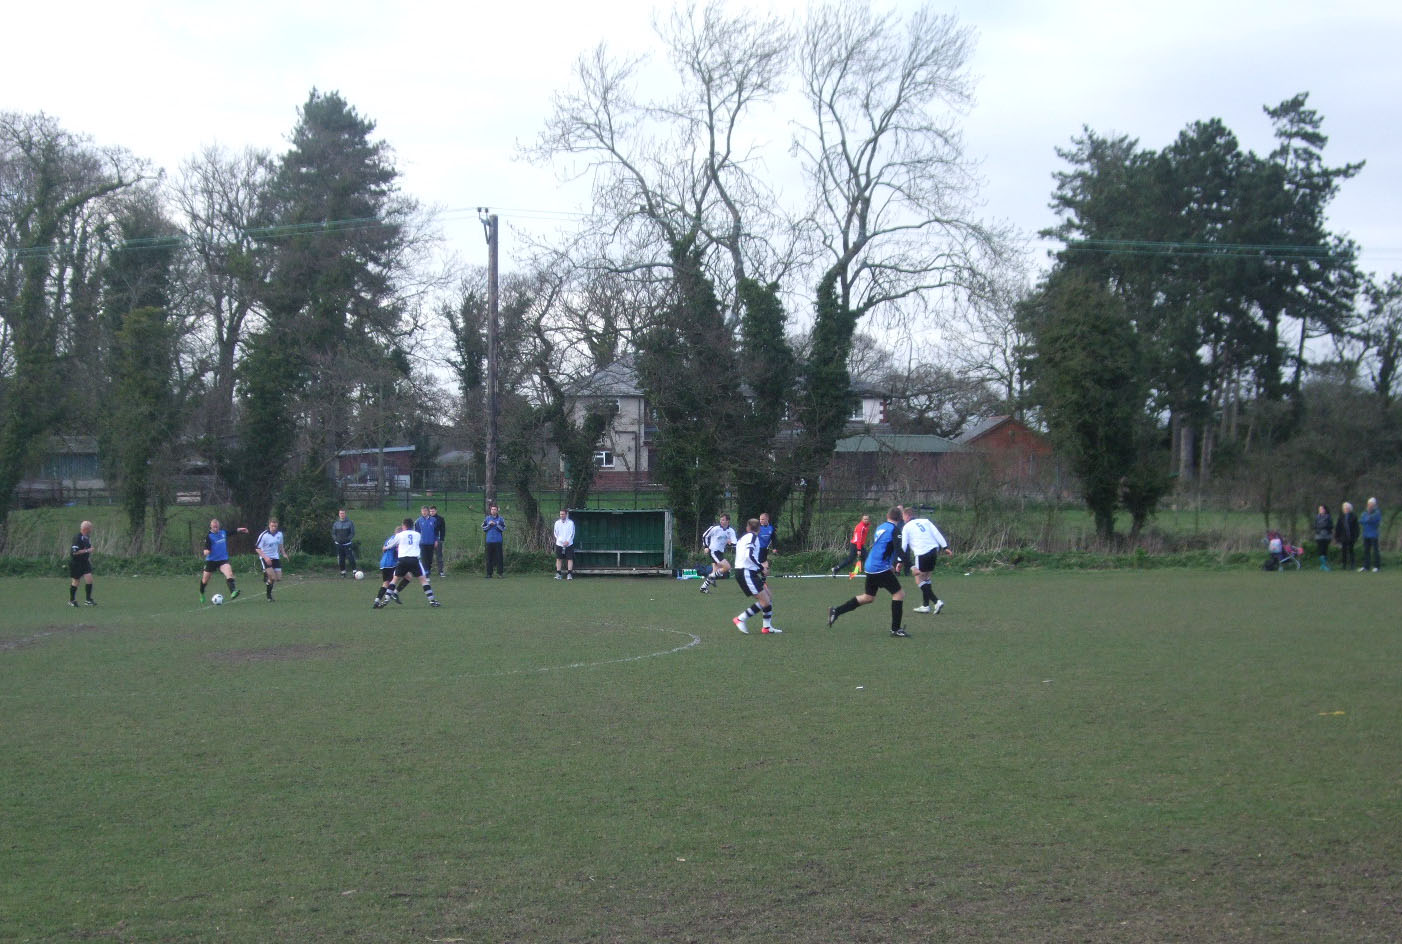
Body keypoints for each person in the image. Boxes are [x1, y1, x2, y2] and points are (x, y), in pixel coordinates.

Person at [827, 506, 910, 637]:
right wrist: (909, 565)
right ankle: (895, 629)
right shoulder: (895, 530)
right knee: (899, 594)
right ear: (900, 518)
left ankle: (836, 611)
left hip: (871, 566)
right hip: (879, 568)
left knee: (868, 597)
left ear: (887, 516)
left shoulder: (881, 527)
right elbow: (898, 549)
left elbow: (883, 547)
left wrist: (890, 565)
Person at [900, 506, 953, 614]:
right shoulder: (926, 521)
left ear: (907, 515)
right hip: (933, 551)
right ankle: (925, 606)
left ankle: (936, 601)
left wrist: (899, 561)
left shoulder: (906, 527)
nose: (903, 519)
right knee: (926, 578)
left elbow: (903, 546)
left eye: (903, 516)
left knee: (918, 579)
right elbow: (937, 533)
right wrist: (945, 547)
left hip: (921, 553)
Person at [732, 518, 781, 635]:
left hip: (747, 571)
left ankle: (767, 628)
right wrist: (761, 567)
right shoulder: (752, 538)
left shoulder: (743, 538)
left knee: (768, 596)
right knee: (765, 601)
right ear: (759, 529)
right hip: (746, 572)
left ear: (747, 528)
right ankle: (740, 619)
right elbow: (749, 555)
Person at [388, 517, 441, 606]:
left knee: (395, 579)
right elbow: (417, 543)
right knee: (423, 580)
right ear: (412, 526)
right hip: (414, 559)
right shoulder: (418, 534)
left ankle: (387, 597)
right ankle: (432, 601)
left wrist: (386, 547)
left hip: (403, 559)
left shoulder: (400, 535)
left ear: (404, 526)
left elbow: (391, 545)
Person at [200, 518, 247, 603]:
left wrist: (240, 529)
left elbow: (231, 532)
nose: (216, 528)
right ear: (211, 527)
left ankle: (233, 592)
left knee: (229, 573)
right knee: (205, 580)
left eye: (217, 527)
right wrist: (206, 551)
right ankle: (202, 593)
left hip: (222, 560)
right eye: (214, 527)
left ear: (219, 526)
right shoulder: (209, 537)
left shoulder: (223, 533)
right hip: (211, 561)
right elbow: (205, 549)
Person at [698, 513, 737, 593]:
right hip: (713, 551)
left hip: (720, 552)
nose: (721, 521)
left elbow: (734, 542)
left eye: (723, 520)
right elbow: (704, 536)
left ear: (728, 521)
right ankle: (711, 577)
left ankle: (703, 587)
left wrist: (731, 543)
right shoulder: (715, 528)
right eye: (721, 520)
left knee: (715, 571)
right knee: (727, 567)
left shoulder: (731, 531)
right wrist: (706, 546)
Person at [254, 518, 285, 601]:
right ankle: (269, 596)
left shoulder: (280, 534)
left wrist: (284, 553)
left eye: (275, 526)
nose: (274, 528)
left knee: (278, 578)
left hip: (275, 557)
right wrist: (266, 557)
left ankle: (266, 574)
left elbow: (281, 544)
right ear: (269, 525)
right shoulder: (264, 535)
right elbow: (257, 548)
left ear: (277, 526)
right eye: (272, 526)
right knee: (272, 577)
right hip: (265, 557)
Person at [372, 524, 403, 608]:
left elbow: (383, 548)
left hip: (383, 563)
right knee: (405, 575)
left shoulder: (390, 538)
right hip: (391, 563)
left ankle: (376, 601)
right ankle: (393, 594)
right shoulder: (398, 539)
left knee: (386, 582)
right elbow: (397, 550)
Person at [68, 520, 96, 607]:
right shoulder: (77, 538)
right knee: (76, 581)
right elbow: (75, 552)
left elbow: (88, 546)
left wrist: (90, 547)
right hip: (76, 563)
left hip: (85, 562)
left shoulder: (86, 537)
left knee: (89, 579)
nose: (91, 529)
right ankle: (72, 600)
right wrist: (88, 550)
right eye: (90, 528)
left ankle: (88, 600)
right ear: (86, 529)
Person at [414, 506, 439, 578]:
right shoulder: (418, 521)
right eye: (422, 511)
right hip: (422, 543)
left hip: (431, 542)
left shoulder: (434, 520)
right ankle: (426, 573)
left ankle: (428, 571)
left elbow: (436, 531)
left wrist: (436, 540)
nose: (424, 512)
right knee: (424, 558)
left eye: (425, 511)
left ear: (428, 512)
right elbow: (416, 533)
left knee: (429, 558)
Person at [1334, 501, 1360, 572]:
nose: (1346, 509)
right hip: (1343, 537)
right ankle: (1344, 565)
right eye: (1345, 508)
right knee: (1344, 552)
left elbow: (1356, 528)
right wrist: (1337, 537)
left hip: (1351, 537)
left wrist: (1356, 536)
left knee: (1351, 551)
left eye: (1347, 508)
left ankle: (1352, 565)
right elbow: (1338, 528)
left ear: (1350, 509)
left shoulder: (1353, 517)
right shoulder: (1341, 517)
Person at [482, 502, 506, 578]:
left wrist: (496, 524)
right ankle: (489, 574)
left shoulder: (501, 519)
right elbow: (483, 528)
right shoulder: (487, 518)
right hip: (489, 541)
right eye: (492, 509)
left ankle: (500, 574)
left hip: (498, 541)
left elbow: (503, 528)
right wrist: (489, 525)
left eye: (495, 509)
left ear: (497, 510)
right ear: (490, 510)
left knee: (499, 558)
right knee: (489, 558)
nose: (493, 511)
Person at [1360, 497, 1382, 572]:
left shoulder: (1377, 512)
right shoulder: (1365, 512)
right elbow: (1361, 520)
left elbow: (1373, 519)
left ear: (1374, 505)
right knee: (1366, 551)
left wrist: (1367, 519)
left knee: (1375, 551)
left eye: (1371, 504)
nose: (1370, 505)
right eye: (1369, 504)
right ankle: (1366, 566)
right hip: (1366, 534)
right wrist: (1367, 519)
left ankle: (1377, 566)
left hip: (1374, 534)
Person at [553, 508, 576, 580]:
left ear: (566, 514)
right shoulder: (557, 523)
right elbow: (555, 533)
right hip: (559, 544)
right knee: (558, 559)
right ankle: (558, 574)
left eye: (563, 514)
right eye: (560, 514)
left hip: (569, 544)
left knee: (570, 559)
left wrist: (567, 541)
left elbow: (572, 533)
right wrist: (561, 541)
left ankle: (569, 574)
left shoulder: (571, 523)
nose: (561, 515)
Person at [332, 509, 356, 577]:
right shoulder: (336, 523)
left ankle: (354, 572)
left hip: (347, 544)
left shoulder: (350, 523)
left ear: (345, 514)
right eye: (340, 513)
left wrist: (348, 539)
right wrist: (336, 539)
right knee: (341, 558)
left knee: (351, 558)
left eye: (343, 513)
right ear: (339, 514)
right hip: (339, 544)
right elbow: (333, 533)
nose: (342, 515)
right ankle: (343, 572)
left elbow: (352, 533)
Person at [1313, 504, 1333, 571]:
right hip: (1319, 536)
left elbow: (1330, 526)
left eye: (1322, 509)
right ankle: (1323, 565)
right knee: (1320, 550)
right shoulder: (1317, 517)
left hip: (1326, 536)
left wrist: (1323, 526)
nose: (1320, 510)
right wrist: (1319, 528)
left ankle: (1324, 565)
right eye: (1319, 509)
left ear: (1325, 510)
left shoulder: (1328, 517)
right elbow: (1315, 526)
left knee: (1325, 550)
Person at [430, 505, 447, 577]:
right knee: (428, 557)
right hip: (429, 541)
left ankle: (441, 571)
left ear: (436, 511)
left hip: (438, 540)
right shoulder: (427, 519)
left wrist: (441, 539)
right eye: (430, 511)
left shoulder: (440, 519)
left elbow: (443, 530)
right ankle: (427, 571)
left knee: (439, 556)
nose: (431, 512)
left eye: (433, 511)